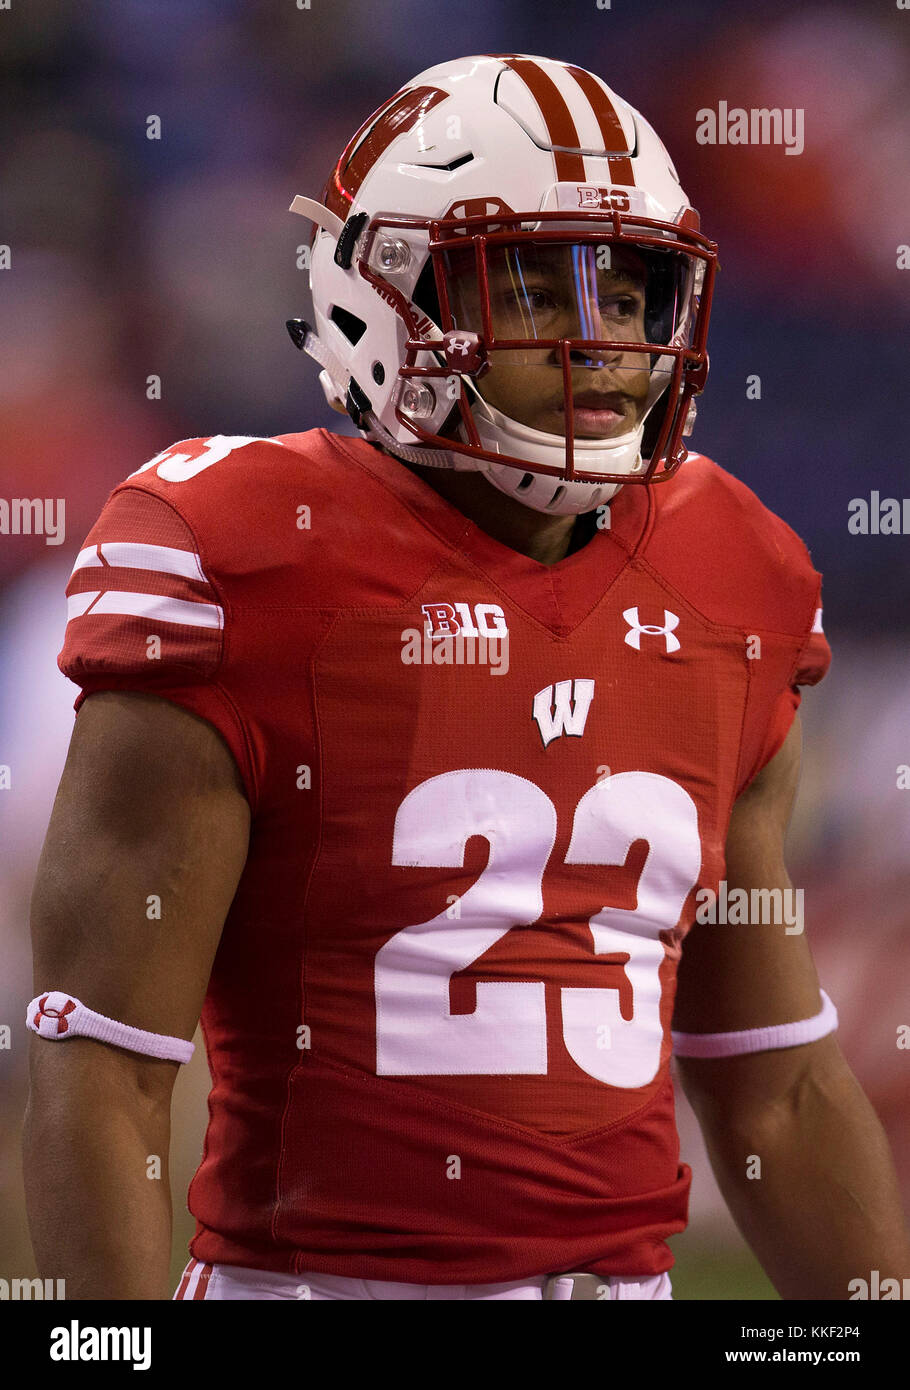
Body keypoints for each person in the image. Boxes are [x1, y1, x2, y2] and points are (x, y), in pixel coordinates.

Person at [24, 53, 909, 1302]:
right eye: (533, 284)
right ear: (381, 299)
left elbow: (775, 1075)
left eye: (634, 286)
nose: (599, 340)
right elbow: (106, 1063)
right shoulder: (243, 555)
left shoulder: (735, 572)